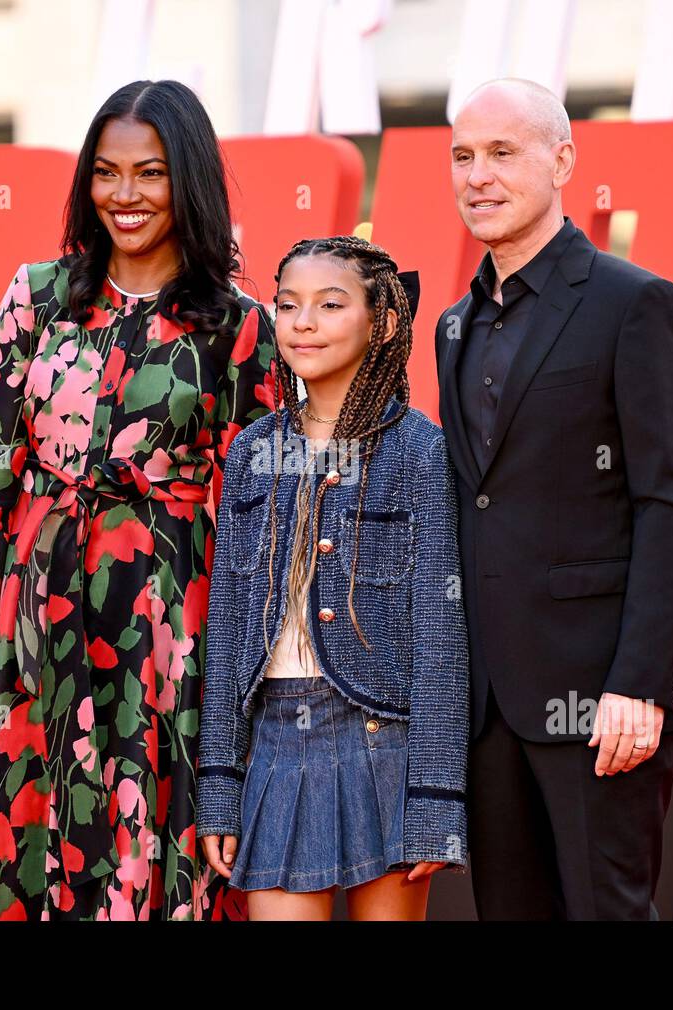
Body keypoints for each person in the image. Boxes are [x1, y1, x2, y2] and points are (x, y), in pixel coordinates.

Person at [0, 79, 276, 921]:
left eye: (151, 174)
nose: (124, 196)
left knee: (147, 830)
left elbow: (256, 516)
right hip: (38, 617)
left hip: (169, 626)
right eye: (106, 172)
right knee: (30, 828)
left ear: (188, 179)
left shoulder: (238, 325)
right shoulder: (37, 296)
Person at [436, 78, 673, 920]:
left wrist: (639, 684)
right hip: (488, 713)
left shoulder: (634, 304)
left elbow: (672, 505)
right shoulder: (453, 326)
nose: (477, 176)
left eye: (501, 153)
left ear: (561, 160)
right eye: (462, 157)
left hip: (602, 702)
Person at [197, 235, 470, 921]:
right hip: (276, 743)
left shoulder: (421, 449)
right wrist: (221, 788)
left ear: (381, 322)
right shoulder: (253, 450)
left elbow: (441, 634)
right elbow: (228, 628)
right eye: (288, 305)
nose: (303, 322)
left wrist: (436, 796)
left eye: (329, 304)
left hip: (387, 743)